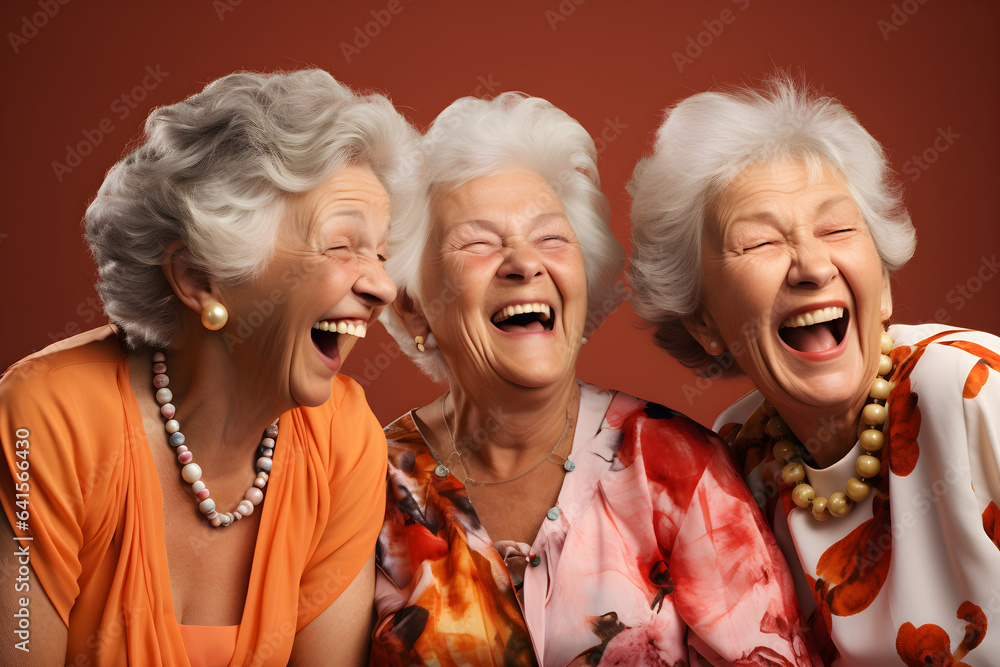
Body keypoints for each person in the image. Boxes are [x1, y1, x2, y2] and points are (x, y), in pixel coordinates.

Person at [371, 92, 820, 666]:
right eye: (479, 242)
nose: (524, 263)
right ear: (412, 306)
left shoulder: (675, 465)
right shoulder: (364, 484)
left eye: (551, 238)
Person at [0, 69, 424, 666]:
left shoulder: (342, 438)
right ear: (201, 278)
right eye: (340, 246)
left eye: (381, 254)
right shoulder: (47, 416)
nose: (382, 285)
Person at [627, 75, 1000, 665]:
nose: (811, 266)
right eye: (758, 243)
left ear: (881, 286)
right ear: (705, 323)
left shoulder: (973, 389)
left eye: (837, 229)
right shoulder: (739, 456)